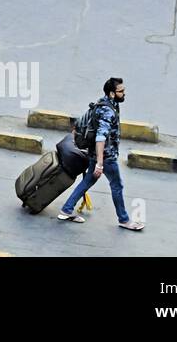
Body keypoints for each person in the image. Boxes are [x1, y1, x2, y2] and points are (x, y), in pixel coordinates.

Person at [58, 77, 144, 231]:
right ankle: (124, 220)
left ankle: (66, 209)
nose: (124, 93)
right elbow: (100, 137)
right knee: (116, 185)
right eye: (121, 91)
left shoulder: (104, 103)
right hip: (106, 157)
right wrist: (100, 163)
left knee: (87, 181)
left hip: (96, 153)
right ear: (112, 93)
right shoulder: (108, 112)